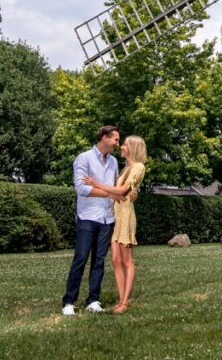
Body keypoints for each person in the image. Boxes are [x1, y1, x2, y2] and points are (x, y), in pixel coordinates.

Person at [83, 135, 146, 313]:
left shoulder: (138, 167)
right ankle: (121, 299)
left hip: (125, 216)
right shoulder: (125, 168)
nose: (121, 147)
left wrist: (95, 184)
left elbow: (122, 190)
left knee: (127, 260)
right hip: (115, 216)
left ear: (133, 148)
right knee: (116, 260)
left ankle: (125, 302)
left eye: (125, 144)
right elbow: (122, 191)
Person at [61, 125, 120, 316]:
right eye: (116, 140)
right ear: (104, 137)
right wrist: (108, 193)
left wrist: (115, 192)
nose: (117, 144)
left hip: (107, 219)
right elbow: (82, 188)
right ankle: (69, 302)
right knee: (80, 258)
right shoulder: (84, 158)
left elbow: (116, 187)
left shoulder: (114, 162)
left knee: (99, 261)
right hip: (87, 217)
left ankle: (93, 300)